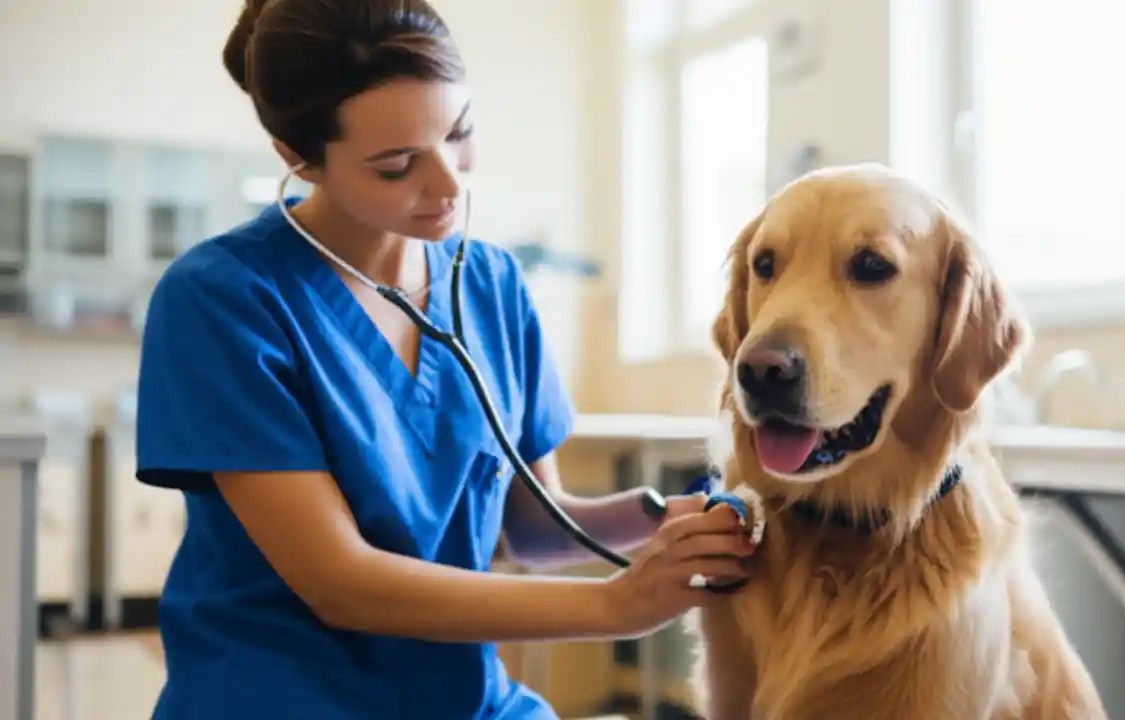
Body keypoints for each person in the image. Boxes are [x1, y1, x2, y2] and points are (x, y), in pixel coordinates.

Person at [133, 1, 756, 717]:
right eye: (397, 165)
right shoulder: (223, 299)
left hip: (463, 699)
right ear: (297, 157)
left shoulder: (489, 283)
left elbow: (531, 529)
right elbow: (341, 582)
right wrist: (617, 606)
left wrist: (664, 520)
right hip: (282, 697)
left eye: (459, 133)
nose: (450, 184)